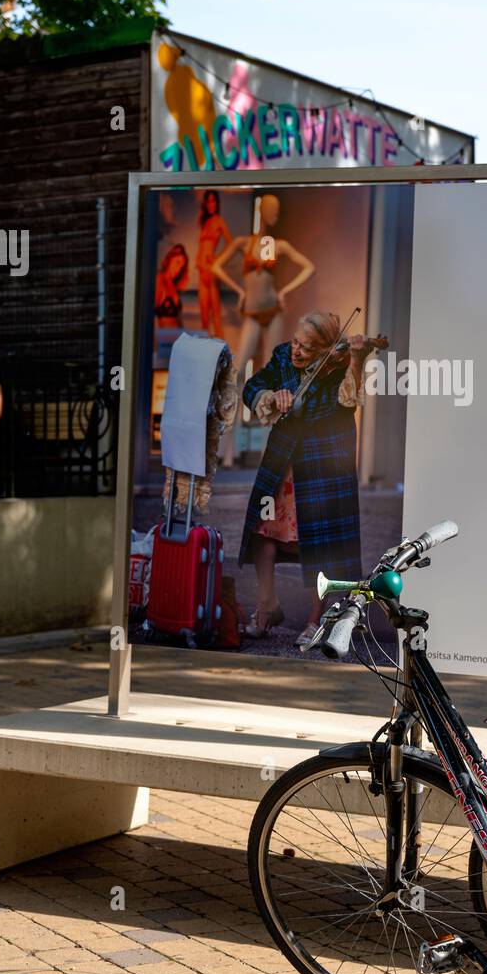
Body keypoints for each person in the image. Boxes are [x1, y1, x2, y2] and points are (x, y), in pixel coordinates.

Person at [238, 311, 382, 649]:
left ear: (324, 351)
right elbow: (252, 387)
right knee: (263, 529)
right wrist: (273, 397)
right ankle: (266, 606)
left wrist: (358, 358)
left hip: (322, 460)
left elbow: (347, 403)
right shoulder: (281, 357)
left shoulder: (339, 367)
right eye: (295, 342)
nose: (296, 351)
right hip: (284, 456)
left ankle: (315, 620)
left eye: (306, 348)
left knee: (316, 540)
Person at [212, 193, 315, 466]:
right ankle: (227, 450)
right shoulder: (244, 243)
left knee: (277, 372)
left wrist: (284, 292)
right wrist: (239, 291)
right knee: (235, 372)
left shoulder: (277, 245)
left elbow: (309, 267)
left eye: (278, 211)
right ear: (262, 209)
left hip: (273, 312)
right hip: (252, 314)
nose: (275, 215)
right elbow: (215, 266)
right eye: (272, 209)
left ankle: (272, 450)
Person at [196, 191, 232, 337]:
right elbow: (202, 247)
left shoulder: (219, 221)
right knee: (204, 315)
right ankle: (204, 353)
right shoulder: (203, 221)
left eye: (213, 201)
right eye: (208, 201)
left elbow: (231, 244)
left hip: (211, 270)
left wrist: (217, 259)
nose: (211, 204)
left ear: (217, 203)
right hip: (201, 270)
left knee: (216, 315)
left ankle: (223, 355)